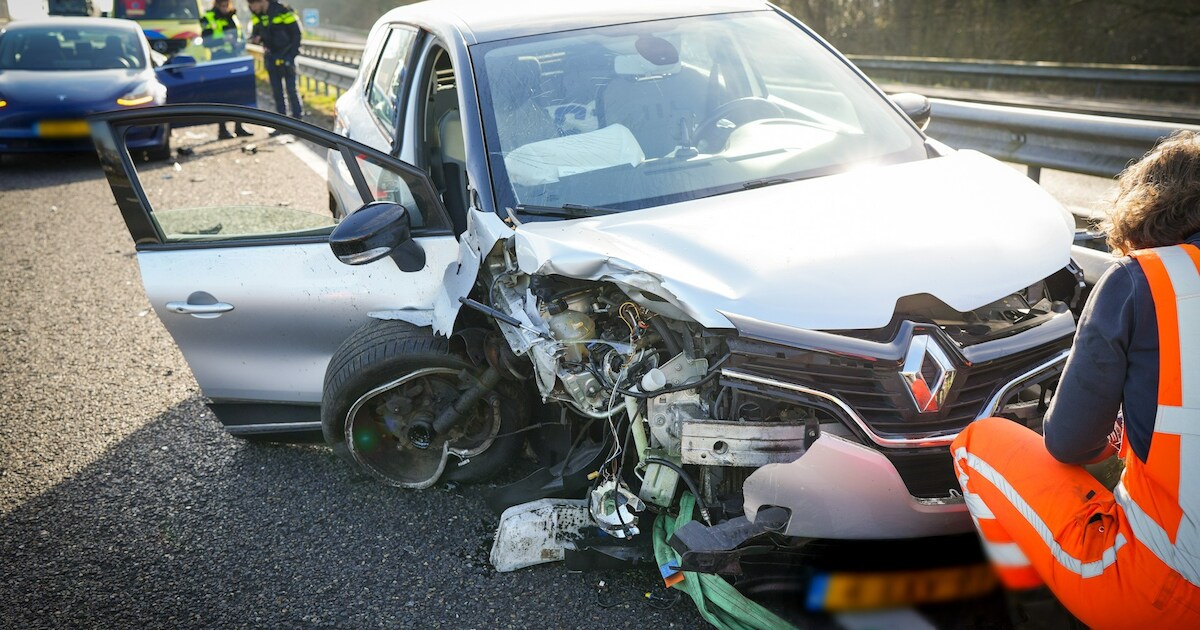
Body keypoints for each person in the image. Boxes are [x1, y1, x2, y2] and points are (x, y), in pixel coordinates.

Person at [951, 129, 1200, 628]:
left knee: (976, 445)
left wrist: (1111, 448)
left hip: (1166, 591)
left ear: (1150, 206)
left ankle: (1040, 616)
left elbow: (1068, 443)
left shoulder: (1140, 281)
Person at [201, 0, 251, 139]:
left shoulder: (233, 17)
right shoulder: (208, 18)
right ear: (216, 4)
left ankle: (239, 126)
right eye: (222, 5)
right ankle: (222, 130)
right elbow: (206, 42)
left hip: (235, 59)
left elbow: (241, 37)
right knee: (221, 96)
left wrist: (240, 44)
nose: (224, 8)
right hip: (219, 61)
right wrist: (224, 39)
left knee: (238, 94)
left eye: (226, 5)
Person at [247, 0, 302, 127]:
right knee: (277, 92)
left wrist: (291, 56)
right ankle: (282, 124)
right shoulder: (257, 16)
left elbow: (297, 34)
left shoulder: (283, 11)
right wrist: (256, 39)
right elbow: (255, 34)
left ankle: (298, 123)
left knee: (291, 90)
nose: (251, 7)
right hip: (271, 57)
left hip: (287, 56)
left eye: (252, 4)